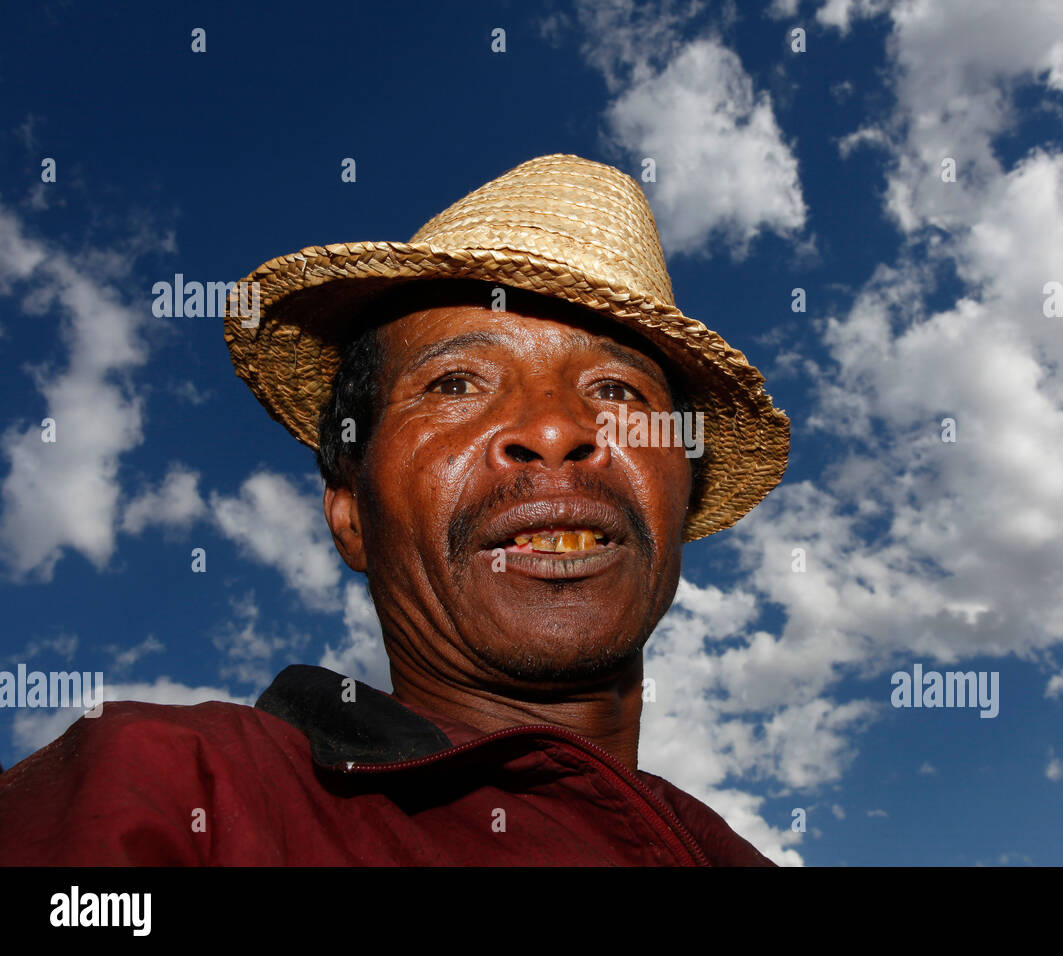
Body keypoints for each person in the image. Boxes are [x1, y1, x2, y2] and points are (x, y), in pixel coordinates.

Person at [0, 154, 790, 865]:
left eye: (617, 392)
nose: (555, 429)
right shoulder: (173, 791)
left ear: (680, 500)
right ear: (350, 516)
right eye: (455, 385)